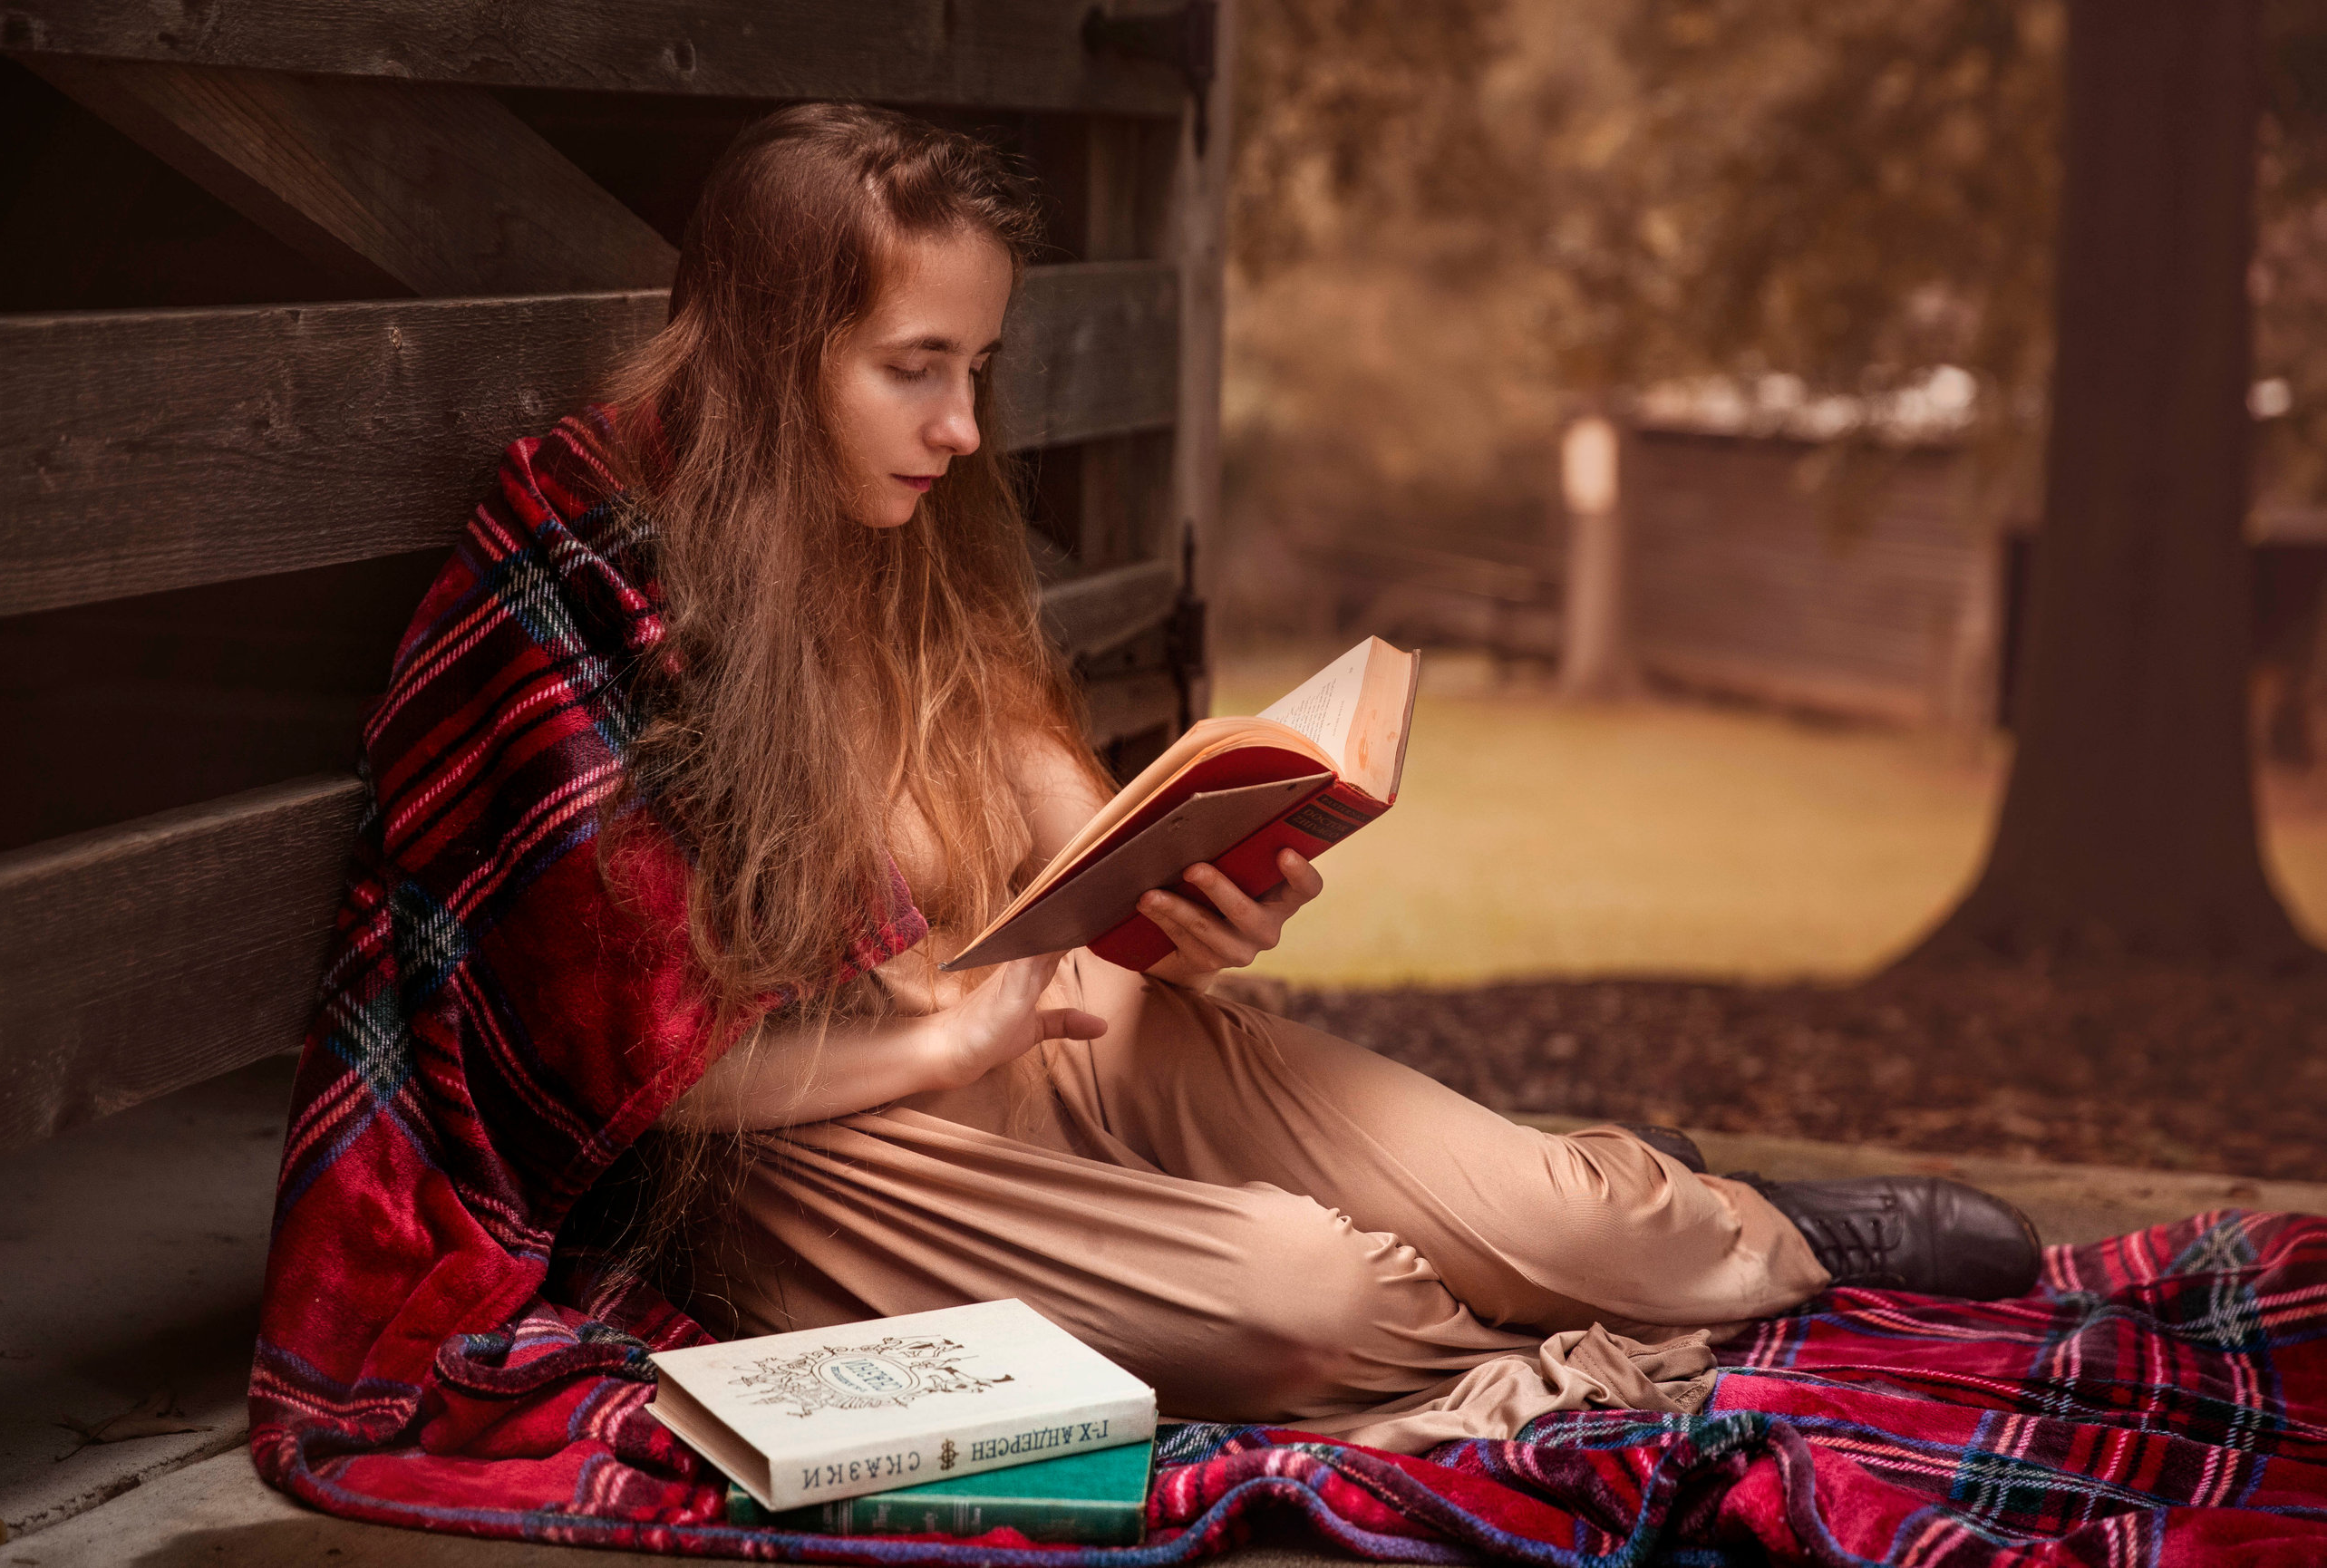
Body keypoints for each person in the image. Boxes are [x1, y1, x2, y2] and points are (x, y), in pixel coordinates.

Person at [553, 101, 2042, 1450]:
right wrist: (948, 1045)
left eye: (979, 371)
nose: (961, 427)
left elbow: (1017, 762)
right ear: (766, 353)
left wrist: (1173, 880)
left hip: (1042, 1024)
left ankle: (1719, 1225)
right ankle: (1536, 1292)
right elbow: (634, 1069)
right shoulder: (602, 598)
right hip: (816, 1150)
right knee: (1309, 1306)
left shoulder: (907, 540)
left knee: (1591, 1230)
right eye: (914, 369)